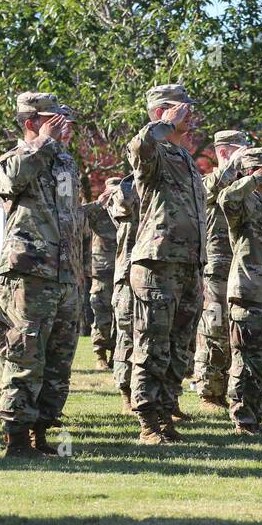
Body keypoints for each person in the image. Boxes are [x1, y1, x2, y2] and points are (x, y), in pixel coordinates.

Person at [0, 92, 83, 457]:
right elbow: (8, 182)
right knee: (25, 356)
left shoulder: (65, 164)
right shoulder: (14, 158)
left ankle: (41, 434)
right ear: (31, 121)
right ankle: (16, 439)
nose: (63, 125)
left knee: (59, 362)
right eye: (53, 119)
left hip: (63, 277)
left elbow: (68, 216)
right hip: (27, 276)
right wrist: (43, 142)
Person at [126, 85, 207, 443]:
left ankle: (166, 414)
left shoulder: (183, 155)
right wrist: (160, 123)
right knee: (152, 344)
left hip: (188, 264)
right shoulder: (153, 149)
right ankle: (147, 422)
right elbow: (139, 147)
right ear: (162, 112)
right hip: (158, 263)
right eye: (184, 110)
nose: (190, 116)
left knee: (179, 346)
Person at [218, 147, 262, 434]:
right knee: (246, 359)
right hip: (248, 291)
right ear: (254, 171)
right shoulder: (245, 199)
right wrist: (252, 181)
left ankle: (255, 417)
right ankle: (243, 419)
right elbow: (226, 199)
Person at [192, 130, 252, 410]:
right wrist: (232, 166)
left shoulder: (242, 185)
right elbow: (209, 192)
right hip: (216, 267)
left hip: (242, 267)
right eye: (240, 151)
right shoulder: (208, 181)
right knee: (214, 328)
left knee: (237, 331)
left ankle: (232, 390)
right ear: (225, 152)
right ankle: (208, 391)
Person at [107, 175, 139, 413]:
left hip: (158, 274)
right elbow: (122, 203)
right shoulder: (126, 189)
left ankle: (164, 399)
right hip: (128, 274)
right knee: (126, 337)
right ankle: (126, 393)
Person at [83, 186, 118, 371]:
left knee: (123, 316)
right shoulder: (98, 213)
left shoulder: (128, 209)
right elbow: (78, 214)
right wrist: (99, 203)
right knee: (101, 315)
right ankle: (100, 355)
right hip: (102, 272)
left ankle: (117, 355)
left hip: (124, 271)